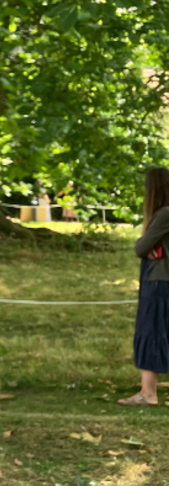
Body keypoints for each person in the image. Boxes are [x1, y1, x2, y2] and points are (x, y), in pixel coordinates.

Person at [119, 167, 169, 406]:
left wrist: (146, 245)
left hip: (159, 280)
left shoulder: (164, 215)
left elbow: (141, 247)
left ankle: (148, 393)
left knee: (151, 329)